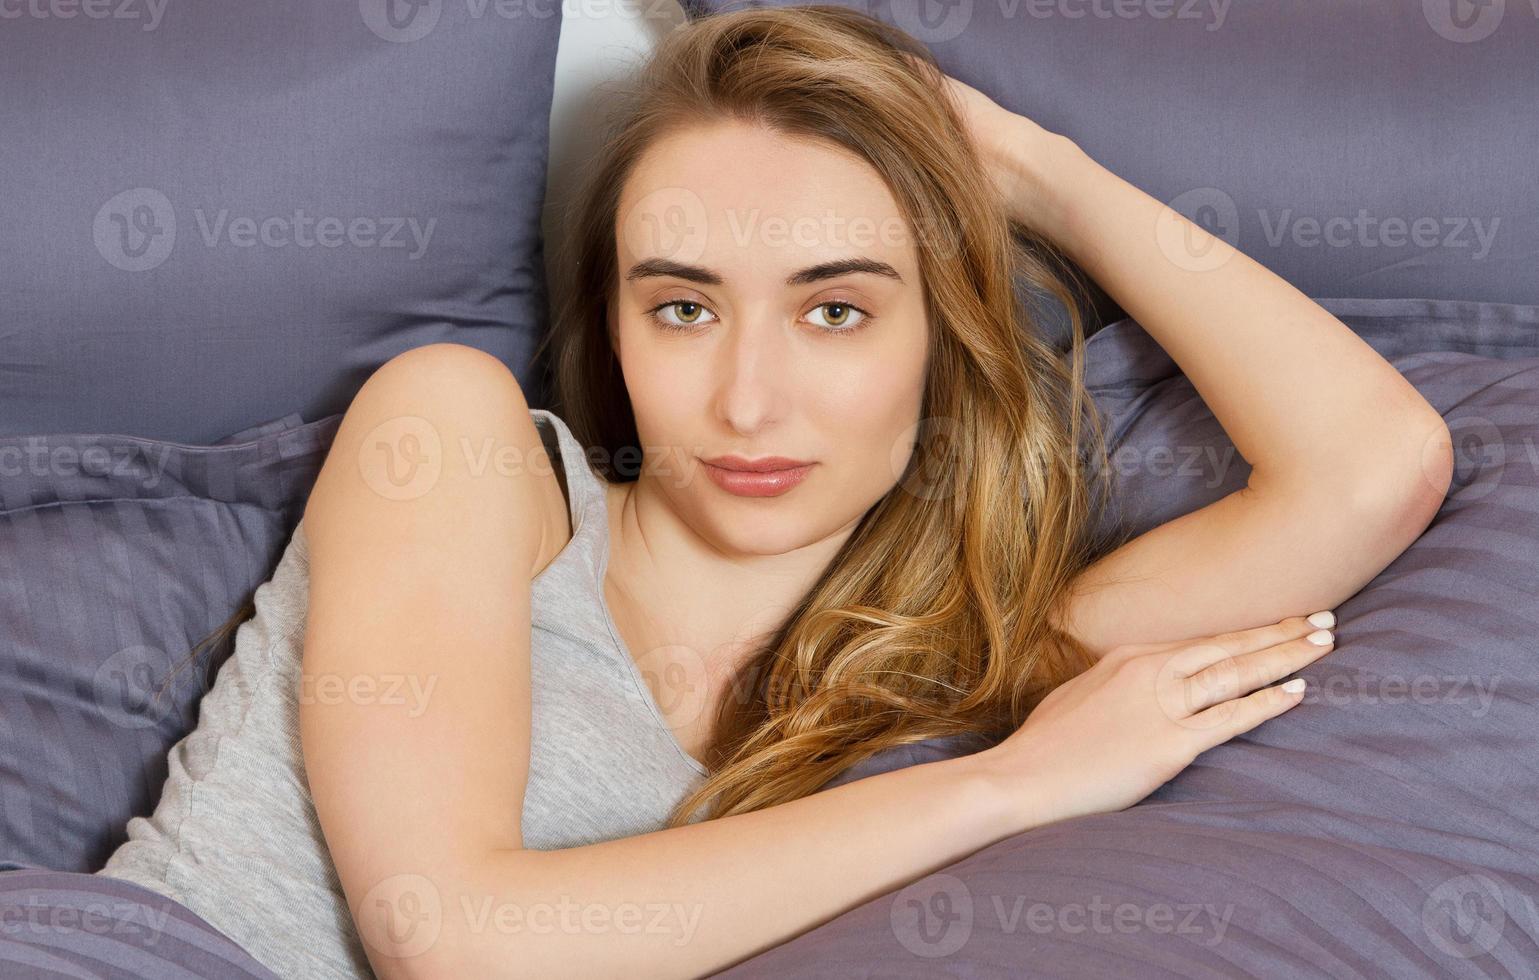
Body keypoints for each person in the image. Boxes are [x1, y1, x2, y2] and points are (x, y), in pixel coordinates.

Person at [109, 5, 1454, 979]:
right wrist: (1010, 789)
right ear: (614, 327)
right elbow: (451, 939)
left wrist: (1036, 169)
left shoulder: (956, 670)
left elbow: (1374, 468)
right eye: (685, 307)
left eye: (836, 312)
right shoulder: (460, 443)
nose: (749, 402)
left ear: (943, 334)